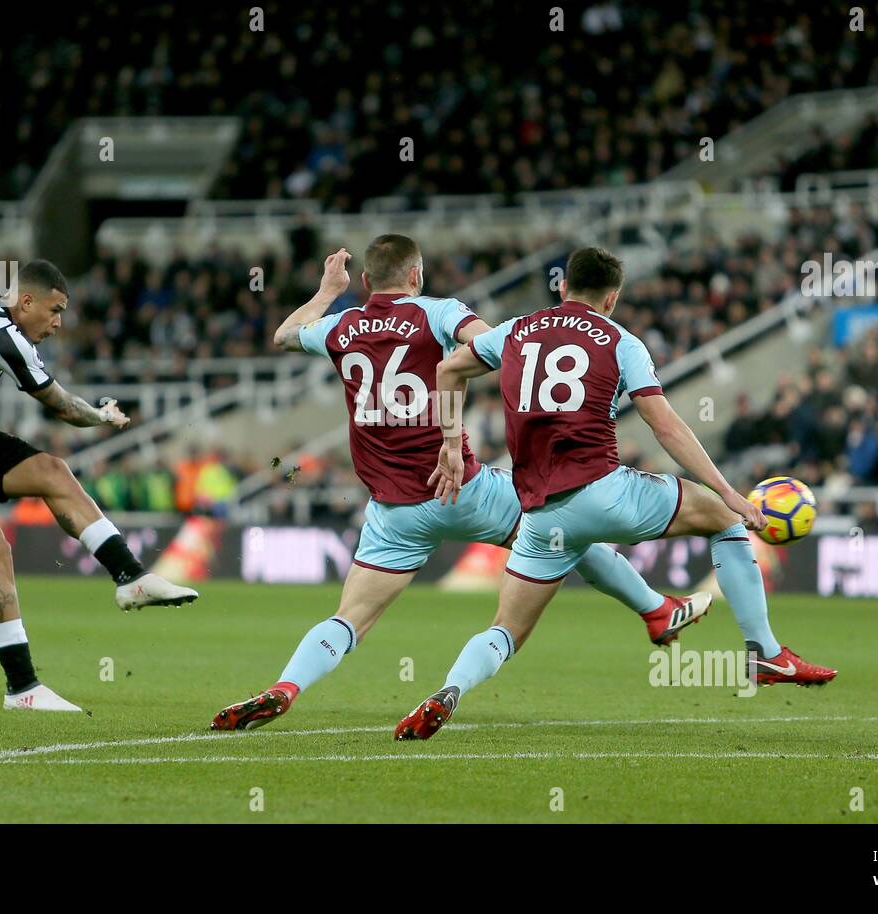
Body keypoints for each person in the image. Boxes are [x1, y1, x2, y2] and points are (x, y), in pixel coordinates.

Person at [210, 236, 708, 731]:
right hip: (462, 486)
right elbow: (505, 347)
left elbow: (284, 335)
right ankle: (655, 609)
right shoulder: (439, 312)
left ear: (364, 281)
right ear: (416, 275)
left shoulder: (342, 324)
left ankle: (286, 686)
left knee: (349, 619)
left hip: (392, 509)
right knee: (562, 526)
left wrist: (326, 291)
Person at [398, 245, 836, 740]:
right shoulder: (620, 340)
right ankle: (765, 653)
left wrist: (452, 446)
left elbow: (448, 370)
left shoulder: (517, 330)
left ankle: (449, 691)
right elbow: (663, 425)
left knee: (505, 630)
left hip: (540, 513)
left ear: (562, 287)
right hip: (607, 492)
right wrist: (727, 492)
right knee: (725, 520)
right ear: (612, 298)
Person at [0, 260, 197, 712]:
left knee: (51, 470)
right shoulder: (8, 340)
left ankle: (131, 577)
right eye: (55, 309)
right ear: (26, 301)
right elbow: (63, 406)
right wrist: (102, 416)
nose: (59, 323)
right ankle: (22, 688)